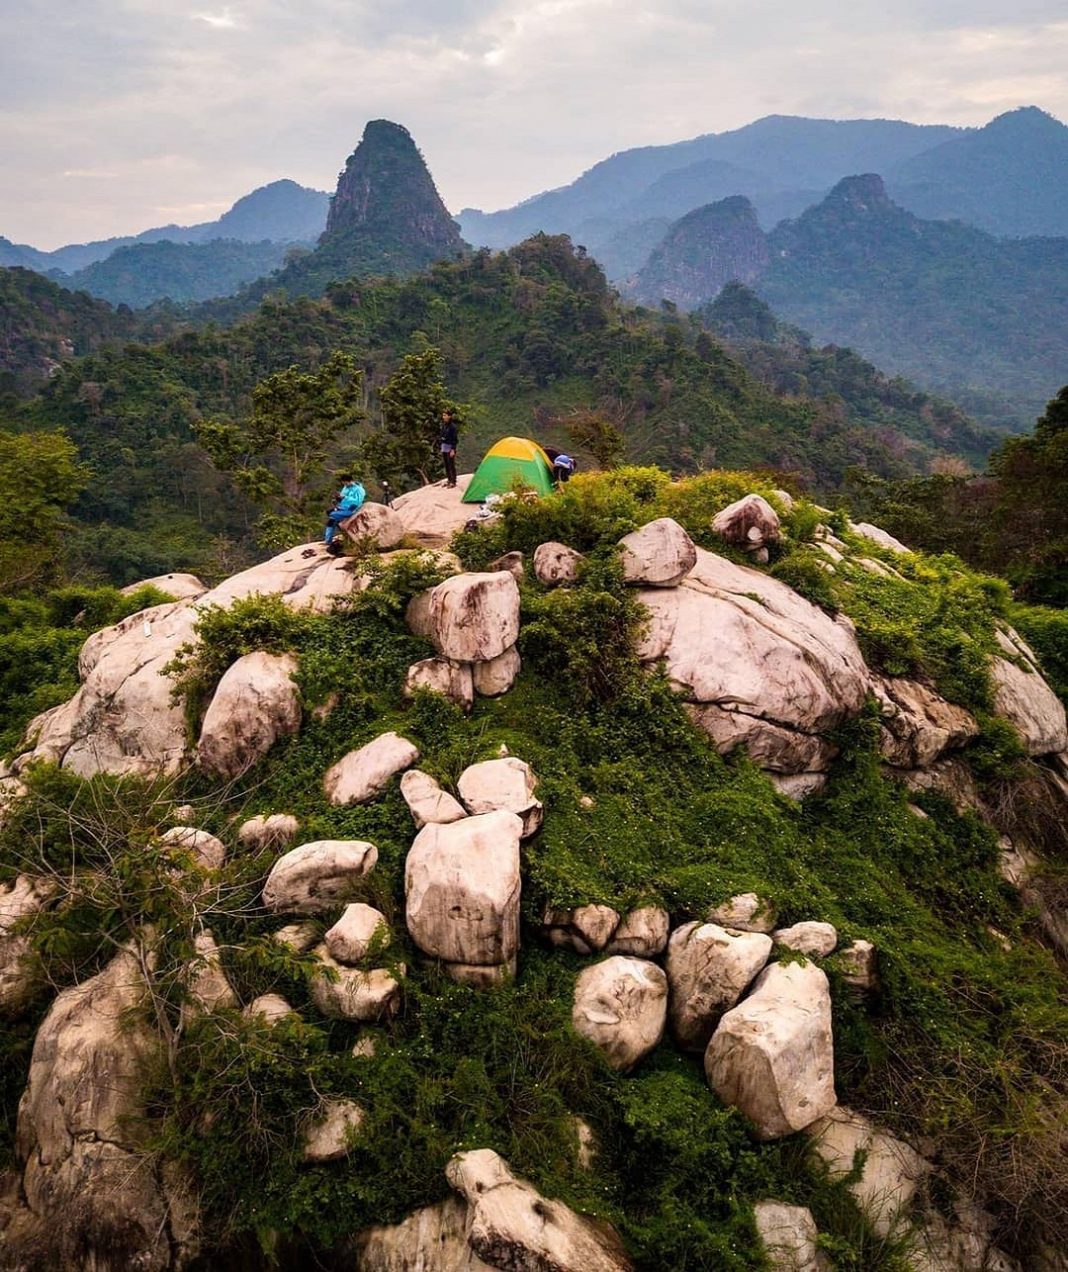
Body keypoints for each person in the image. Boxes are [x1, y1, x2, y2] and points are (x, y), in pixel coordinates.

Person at [323, 473, 366, 556]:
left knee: (333, 515)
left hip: (352, 508)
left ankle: (331, 538)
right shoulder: (345, 488)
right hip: (343, 507)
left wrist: (345, 498)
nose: (345, 485)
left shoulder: (359, 489)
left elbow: (357, 501)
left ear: (350, 481)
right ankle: (328, 540)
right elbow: (342, 497)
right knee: (330, 517)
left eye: (346, 483)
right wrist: (337, 499)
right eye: (344, 484)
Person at [439, 408, 459, 488]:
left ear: (449, 416)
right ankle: (449, 479)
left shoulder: (453, 427)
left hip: (450, 447)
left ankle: (453, 481)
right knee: (446, 464)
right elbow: (441, 435)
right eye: (443, 415)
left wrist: (453, 449)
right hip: (444, 446)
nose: (443, 417)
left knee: (451, 464)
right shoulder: (444, 425)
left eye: (445, 415)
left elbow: (455, 439)